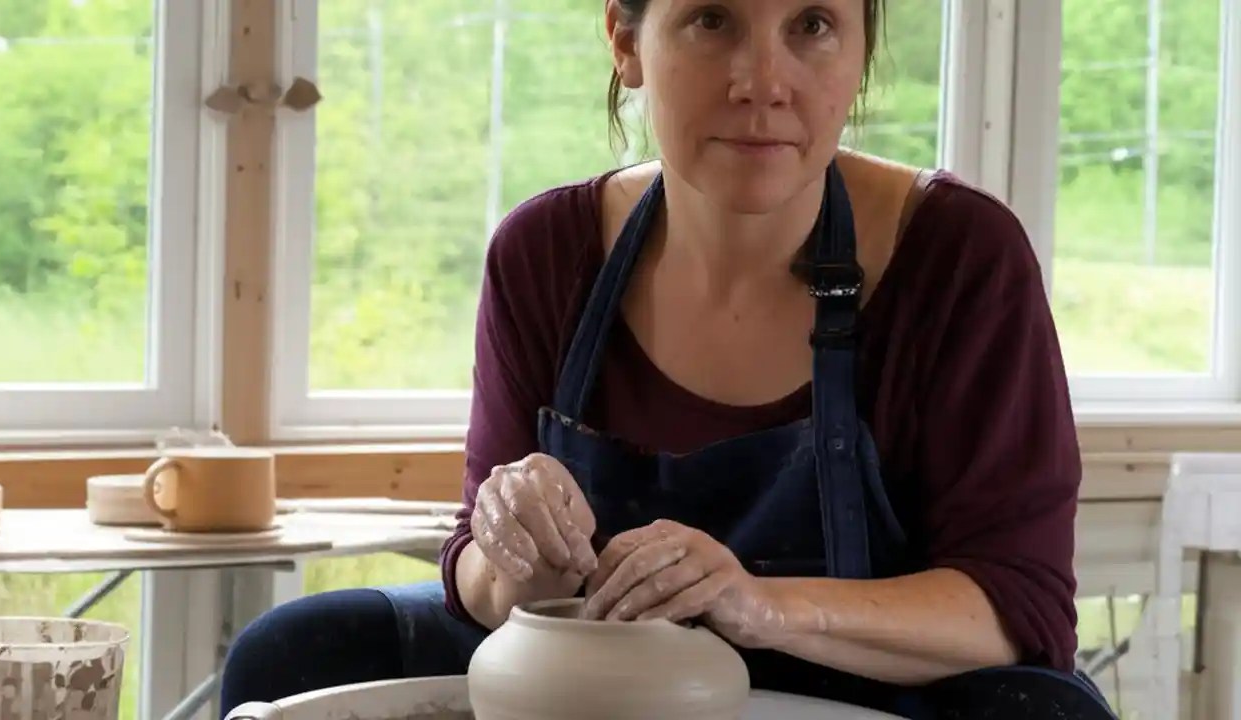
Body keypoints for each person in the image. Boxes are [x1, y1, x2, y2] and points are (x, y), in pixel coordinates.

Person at [220, 1, 1118, 717]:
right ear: (626, 41)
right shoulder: (546, 250)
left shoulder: (958, 255)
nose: (763, 82)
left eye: (811, 25)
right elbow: (479, 579)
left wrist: (759, 607)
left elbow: (1018, 607)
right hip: (592, 677)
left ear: (859, 50)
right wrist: (515, 558)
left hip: (863, 681)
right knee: (293, 653)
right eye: (712, 20)